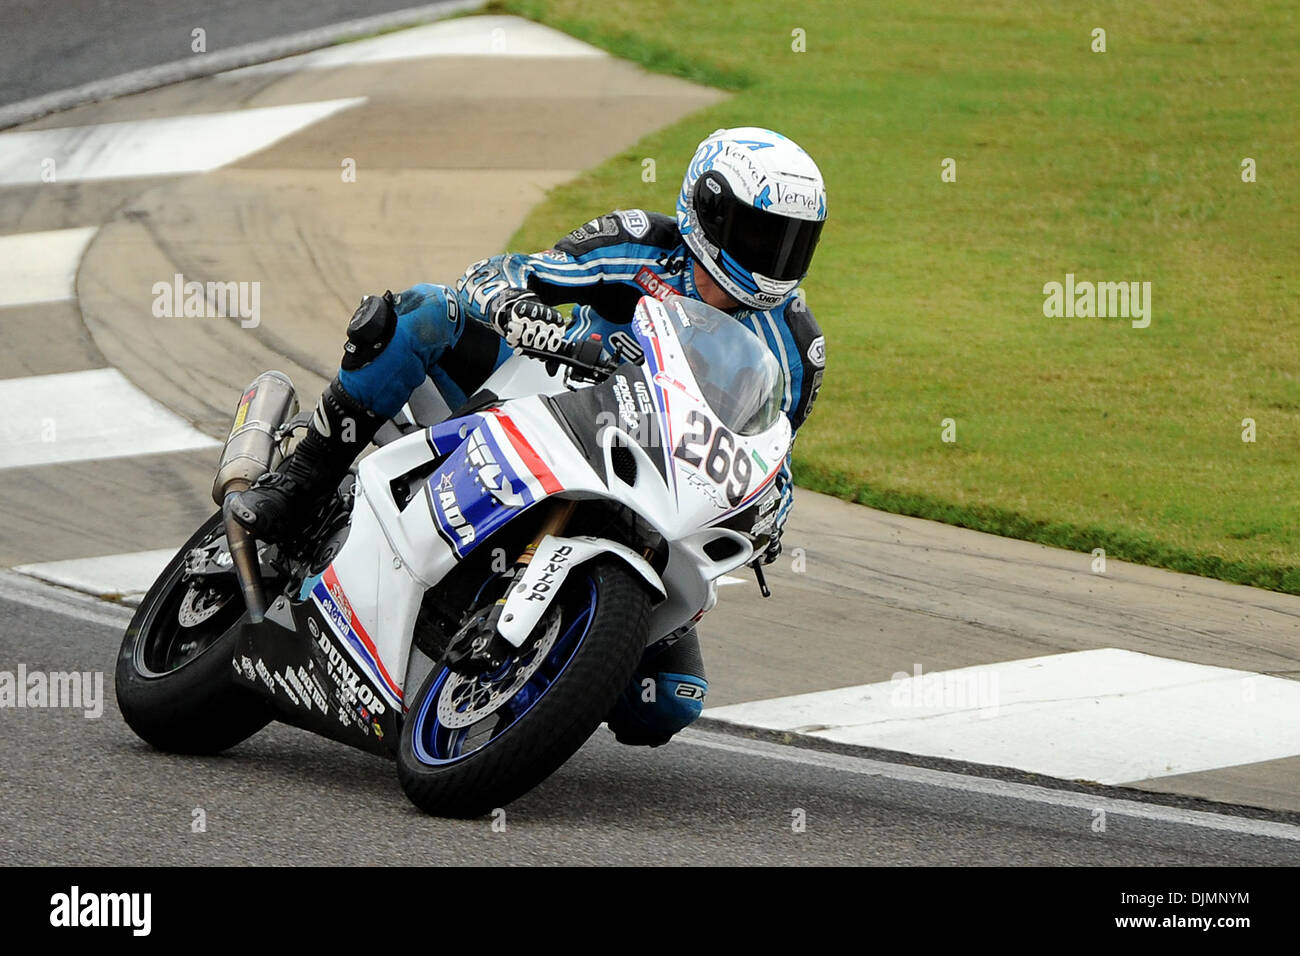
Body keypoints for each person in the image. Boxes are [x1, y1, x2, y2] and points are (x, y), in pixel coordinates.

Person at [230, 126, 827, 747]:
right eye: (760, 233)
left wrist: (770, 511)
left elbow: (770, 451)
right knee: (424, 312)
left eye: (791, 243)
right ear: (709, 210)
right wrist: (527, 314)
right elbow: (495, 276)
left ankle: (532, 680)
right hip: (536, 407)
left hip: (653, 494)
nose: (772, 257)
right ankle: (304, 477)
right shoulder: (639, 244)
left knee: (665, 705)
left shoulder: (796, 348)